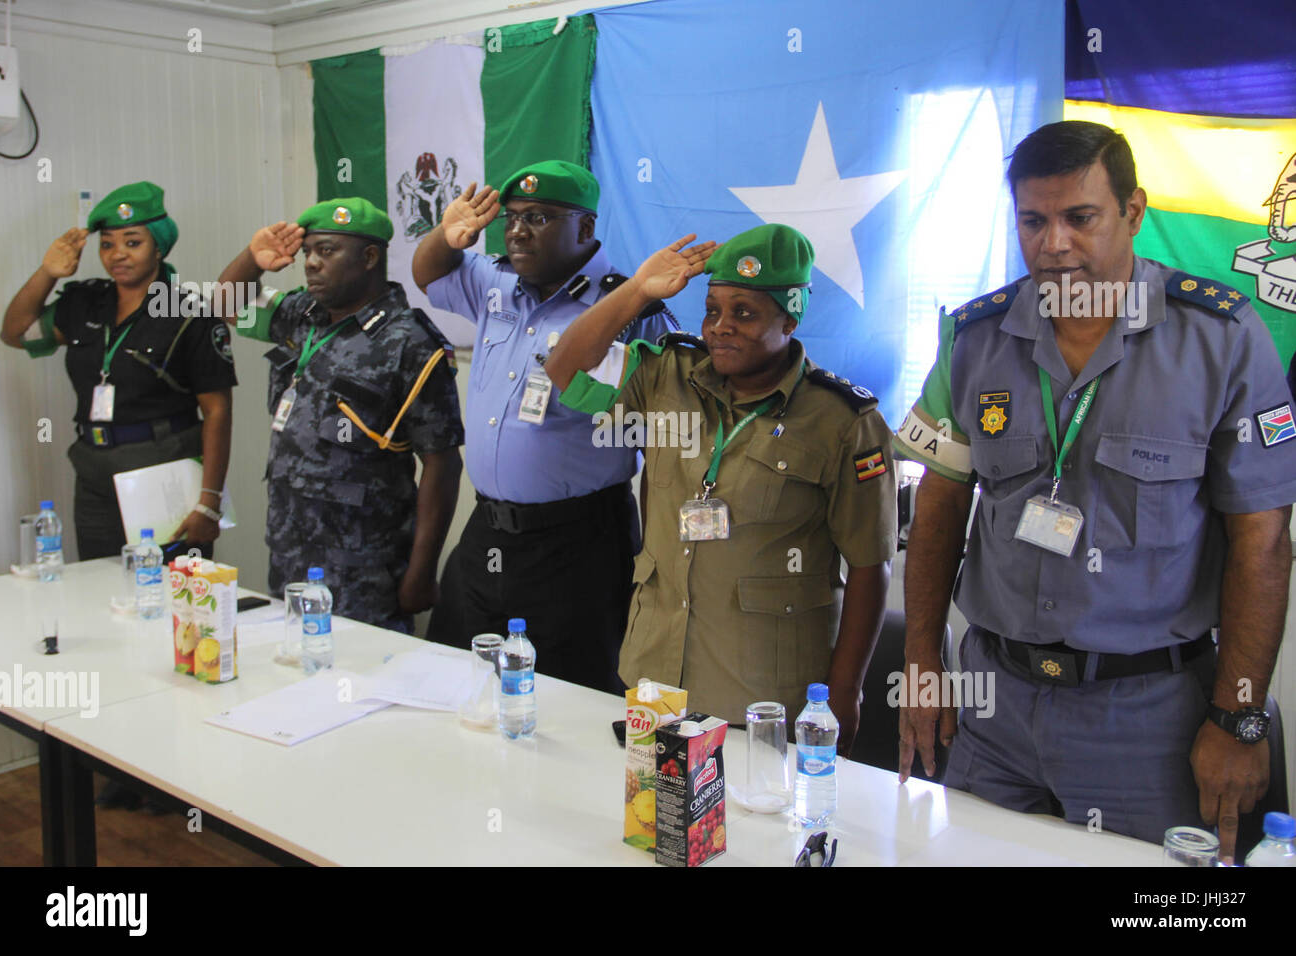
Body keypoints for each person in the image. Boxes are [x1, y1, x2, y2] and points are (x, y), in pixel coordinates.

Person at [894, 120, 1296, 861]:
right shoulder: (974, 339)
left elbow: (1264, 540)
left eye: (1080, 218)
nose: (1054, 245)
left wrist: (1239, 719)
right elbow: (942, 506)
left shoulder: (1223, 338)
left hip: (1147, 720)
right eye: (1033, 221)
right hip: (993, 707)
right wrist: (922, 663)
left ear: (1133, 213)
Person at [545, 224, 896, 752]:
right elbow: (564, 368)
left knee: (755, 828)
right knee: (653, 827)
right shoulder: (666, 377)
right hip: (656, 678)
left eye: (746, 313)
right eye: (713, 310)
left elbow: (870, 565)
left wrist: (846, 693)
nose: (721, 328)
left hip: (764, 694)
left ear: (791, 317)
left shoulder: (841, 420)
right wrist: (637, 290)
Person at [411, 160, 677, 692]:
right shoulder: (496, 282)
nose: (516, 230)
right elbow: (429, 273)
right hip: (486, 529)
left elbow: (660, 447)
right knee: (461, 683)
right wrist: (446, 234)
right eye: (510, 218)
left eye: (537, 217)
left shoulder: (629, 307)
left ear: (584, 228)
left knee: (569, 699)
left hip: (578, 541)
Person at [218, 197, 463, 633]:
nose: (311, 263)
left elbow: (442, 465)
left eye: (327, 251)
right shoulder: (303, 314)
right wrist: (251, 260)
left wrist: (421, 574)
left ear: (370, 257)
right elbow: (224, 305)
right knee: (296, 675)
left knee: (366, 686)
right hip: (290, 551)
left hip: (364, 566)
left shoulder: (409, 342)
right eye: (308, 251)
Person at [0, 181, 234, 562]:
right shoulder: (85, 301)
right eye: (107, 244)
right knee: (100, 585)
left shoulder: (189, 313)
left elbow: (218, 411)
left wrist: (209, 502)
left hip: (162, 464)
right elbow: (14, 333)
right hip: (93, 466)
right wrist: (48, 273)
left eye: (132, 242)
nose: (117, 254)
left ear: (159, 246)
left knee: (168, 591)